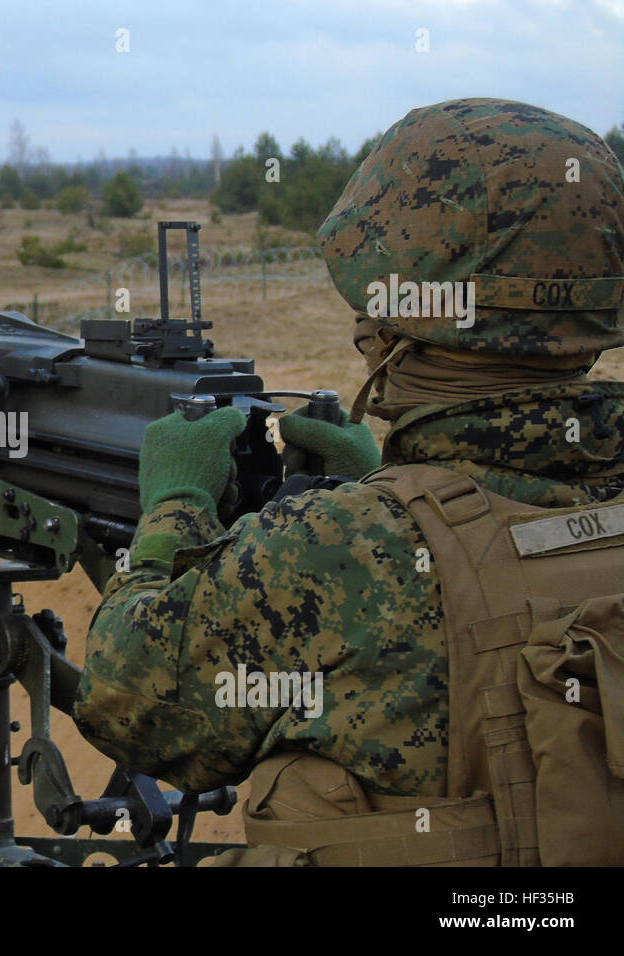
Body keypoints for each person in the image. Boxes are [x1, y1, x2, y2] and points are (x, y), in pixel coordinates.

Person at [73, 98, 624, 866]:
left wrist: (174, 509)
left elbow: (129, 703)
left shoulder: (341, 551)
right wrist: (394, 484)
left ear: (392, 328)